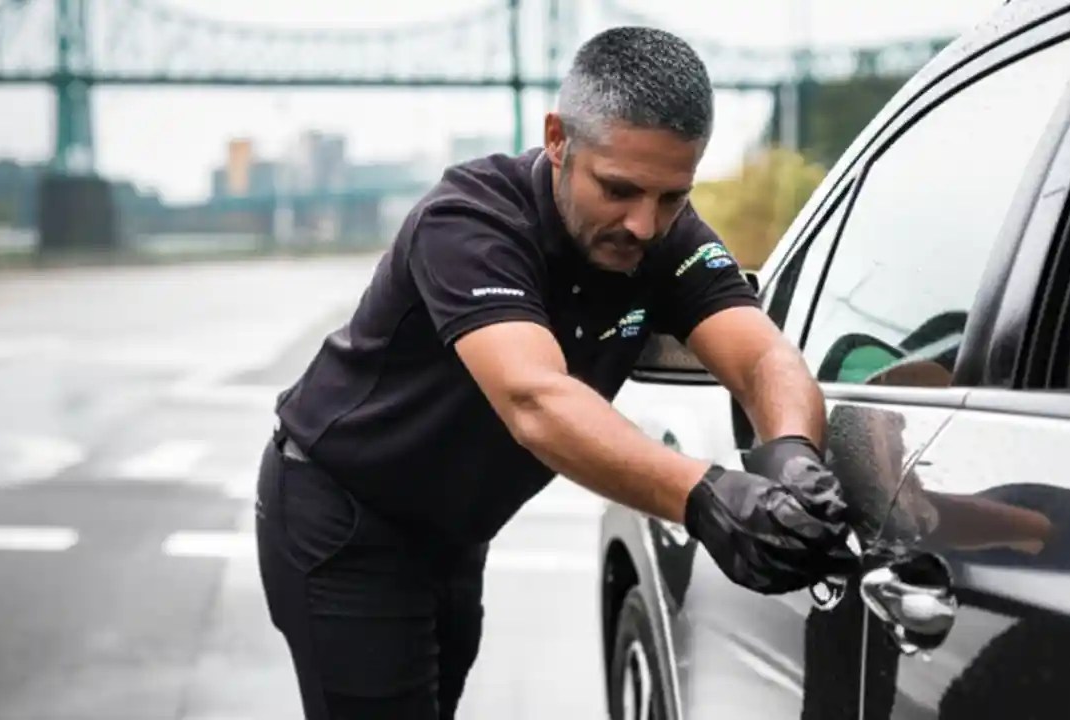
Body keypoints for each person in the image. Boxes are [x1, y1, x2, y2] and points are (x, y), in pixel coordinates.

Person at [254, 25, 858, 720]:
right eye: (618, 189)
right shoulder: (469, 221)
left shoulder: (666, 234)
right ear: (557, 140)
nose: (644, 225)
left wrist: (792, 454)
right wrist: (707, 499)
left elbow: (761, 357)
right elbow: (534, 399)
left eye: (672, 196)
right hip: (344, 513)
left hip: (453, 531)